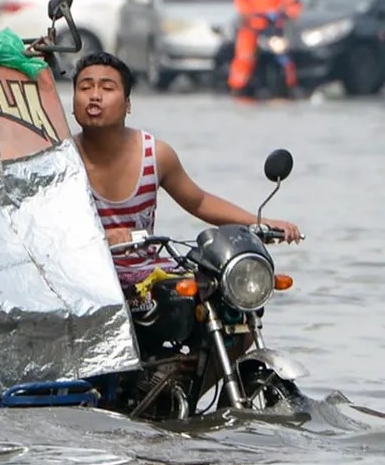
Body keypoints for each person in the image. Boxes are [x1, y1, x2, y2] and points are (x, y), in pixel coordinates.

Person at [71, 52, 302, 290]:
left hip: (149, 278)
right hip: (86, 284)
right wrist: (99, 238)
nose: (95, 96)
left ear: (127, 104)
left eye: (107, 88)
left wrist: (262, 223)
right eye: (85, 88)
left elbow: (199, 201)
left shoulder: (155, 154)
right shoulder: (63, 161)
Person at [227, 0, 300, 94]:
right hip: (251, 30)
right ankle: (238, 86)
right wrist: (249, 16)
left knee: (286, 55)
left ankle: (290, 83)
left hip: (273, 29)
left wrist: (289, 13)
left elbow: (291, 1)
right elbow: (242, 7)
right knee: (244, 56)